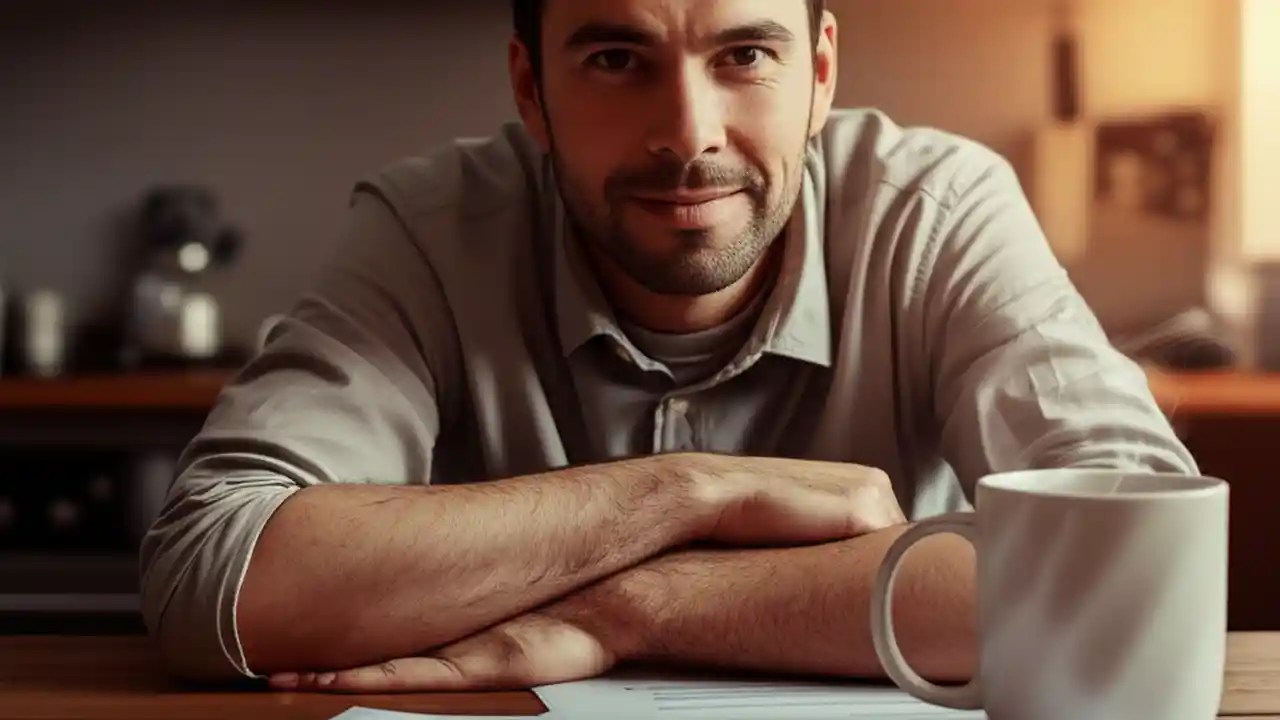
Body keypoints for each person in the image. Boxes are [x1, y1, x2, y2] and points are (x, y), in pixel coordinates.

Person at [140, 0, 1195, 691]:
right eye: (613, 58)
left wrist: (631, 608)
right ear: (529, 90)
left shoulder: (934, 211)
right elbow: (217, 579)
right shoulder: (431, 228)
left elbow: (1139, 572)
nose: (685, 132)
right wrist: (692, 491)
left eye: (743, 54)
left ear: (819, 73)